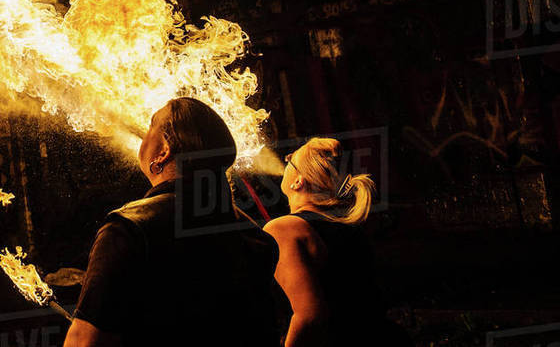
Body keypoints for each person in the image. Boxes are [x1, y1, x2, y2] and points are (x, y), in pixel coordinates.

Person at [64, 97, 281, 346]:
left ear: (164, 151)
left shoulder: (128, 228)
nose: (143, 133)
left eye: (151, 125)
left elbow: (84, 342)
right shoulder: (254, 238)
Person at [264, 138, 405, 347]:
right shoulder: (347, 226)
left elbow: (310, 317)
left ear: (298, 181)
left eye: (290, 160)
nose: (286, 161)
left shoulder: (284, 229)